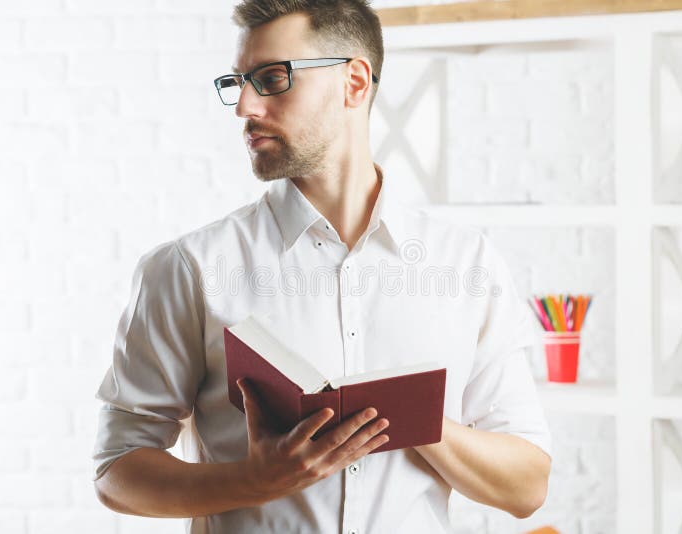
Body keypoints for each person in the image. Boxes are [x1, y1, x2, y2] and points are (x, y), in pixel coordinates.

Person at [92, 1, 552, 532]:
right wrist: (254, 481)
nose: (244, 106)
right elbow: (115, 471)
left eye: (271, 79)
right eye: (238, 83)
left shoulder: (466, 263)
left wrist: (413, 418)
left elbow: (526, 487)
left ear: (353, 83)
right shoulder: (188, 269)